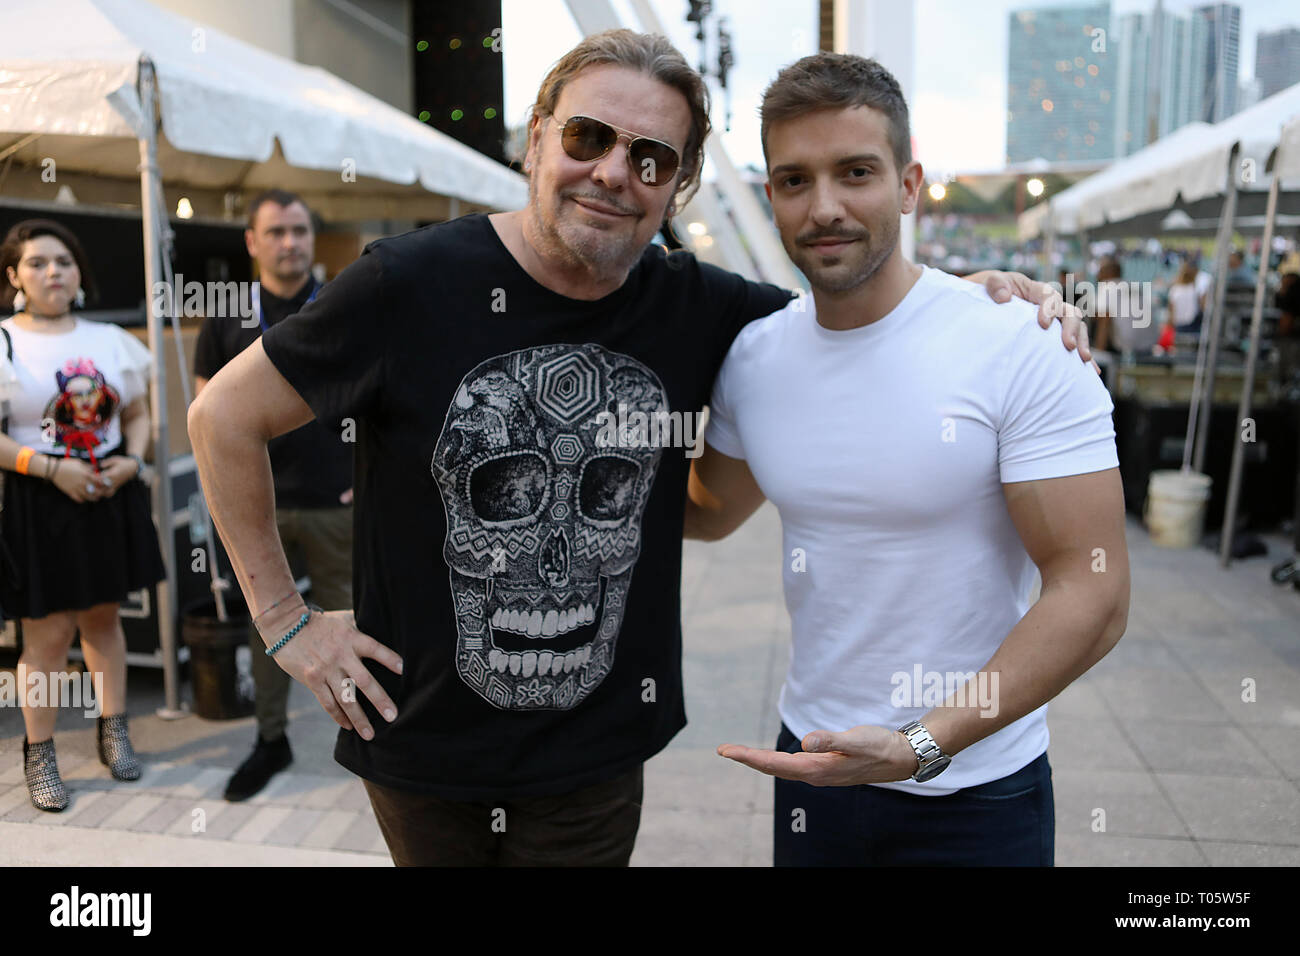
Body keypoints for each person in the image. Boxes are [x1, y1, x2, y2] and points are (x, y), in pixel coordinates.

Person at [188, 29, 1092, 866]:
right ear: (537, 140)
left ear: (676, 187)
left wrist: (972, 301)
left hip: (598, 756)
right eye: (588, 137)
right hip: (419, 744)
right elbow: (222, 418)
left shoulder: (708, 310)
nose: (614, 172)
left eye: (651, 157)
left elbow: (858, 314)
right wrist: (284, 621)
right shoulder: (406, 284)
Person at [685, 52, 1129, 866]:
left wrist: (923, 743)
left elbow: (1094, 592)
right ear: (772, 195)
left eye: (856, 172)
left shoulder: (1017, 342)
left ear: (909, 185)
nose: (824, 208)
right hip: (813, 766)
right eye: (793, 181)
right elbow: (702, 516)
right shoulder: (754, 358)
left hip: (976, 785)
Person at [191, 190, 354, 801]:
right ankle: (270, 739)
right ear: (252, 242)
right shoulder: (228, 315)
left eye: (300, 230)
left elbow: (382, 398)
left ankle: (369, 735)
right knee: (273, 628)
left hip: (336, 500)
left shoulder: (342, 303)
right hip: (255, 508)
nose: (290, 242)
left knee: (357, 620)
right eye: (277, 232)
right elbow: (206, 413)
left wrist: (365, 476)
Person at [0, 219, 165, 811]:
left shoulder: (111, 338)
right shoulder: (3, 341)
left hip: (107, 491)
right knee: (46, 634)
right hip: (40, 498)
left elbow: (140, 414)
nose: (53, 272)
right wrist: (49, 469)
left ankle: (113, 728)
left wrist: (133, 462)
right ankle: (39, 750)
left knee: (103, 620)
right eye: (38, 262)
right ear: (14, 275)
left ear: (79, 274)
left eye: (64, 261)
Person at [1092, 255, 1156, 354]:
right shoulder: (1134, 287)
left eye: (1100, 271)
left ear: (1108, 273)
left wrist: (1099, 354)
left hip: (1123, 349)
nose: (1097, 275)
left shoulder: (1108, 287)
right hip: (1148, 345)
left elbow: (1104, 319)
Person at [1166, 259, 1205, 337]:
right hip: (1192, 326)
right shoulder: (1195, 289)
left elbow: (1171, 312)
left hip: (1180, 326)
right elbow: (1202, 307)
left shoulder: (1174, 290)